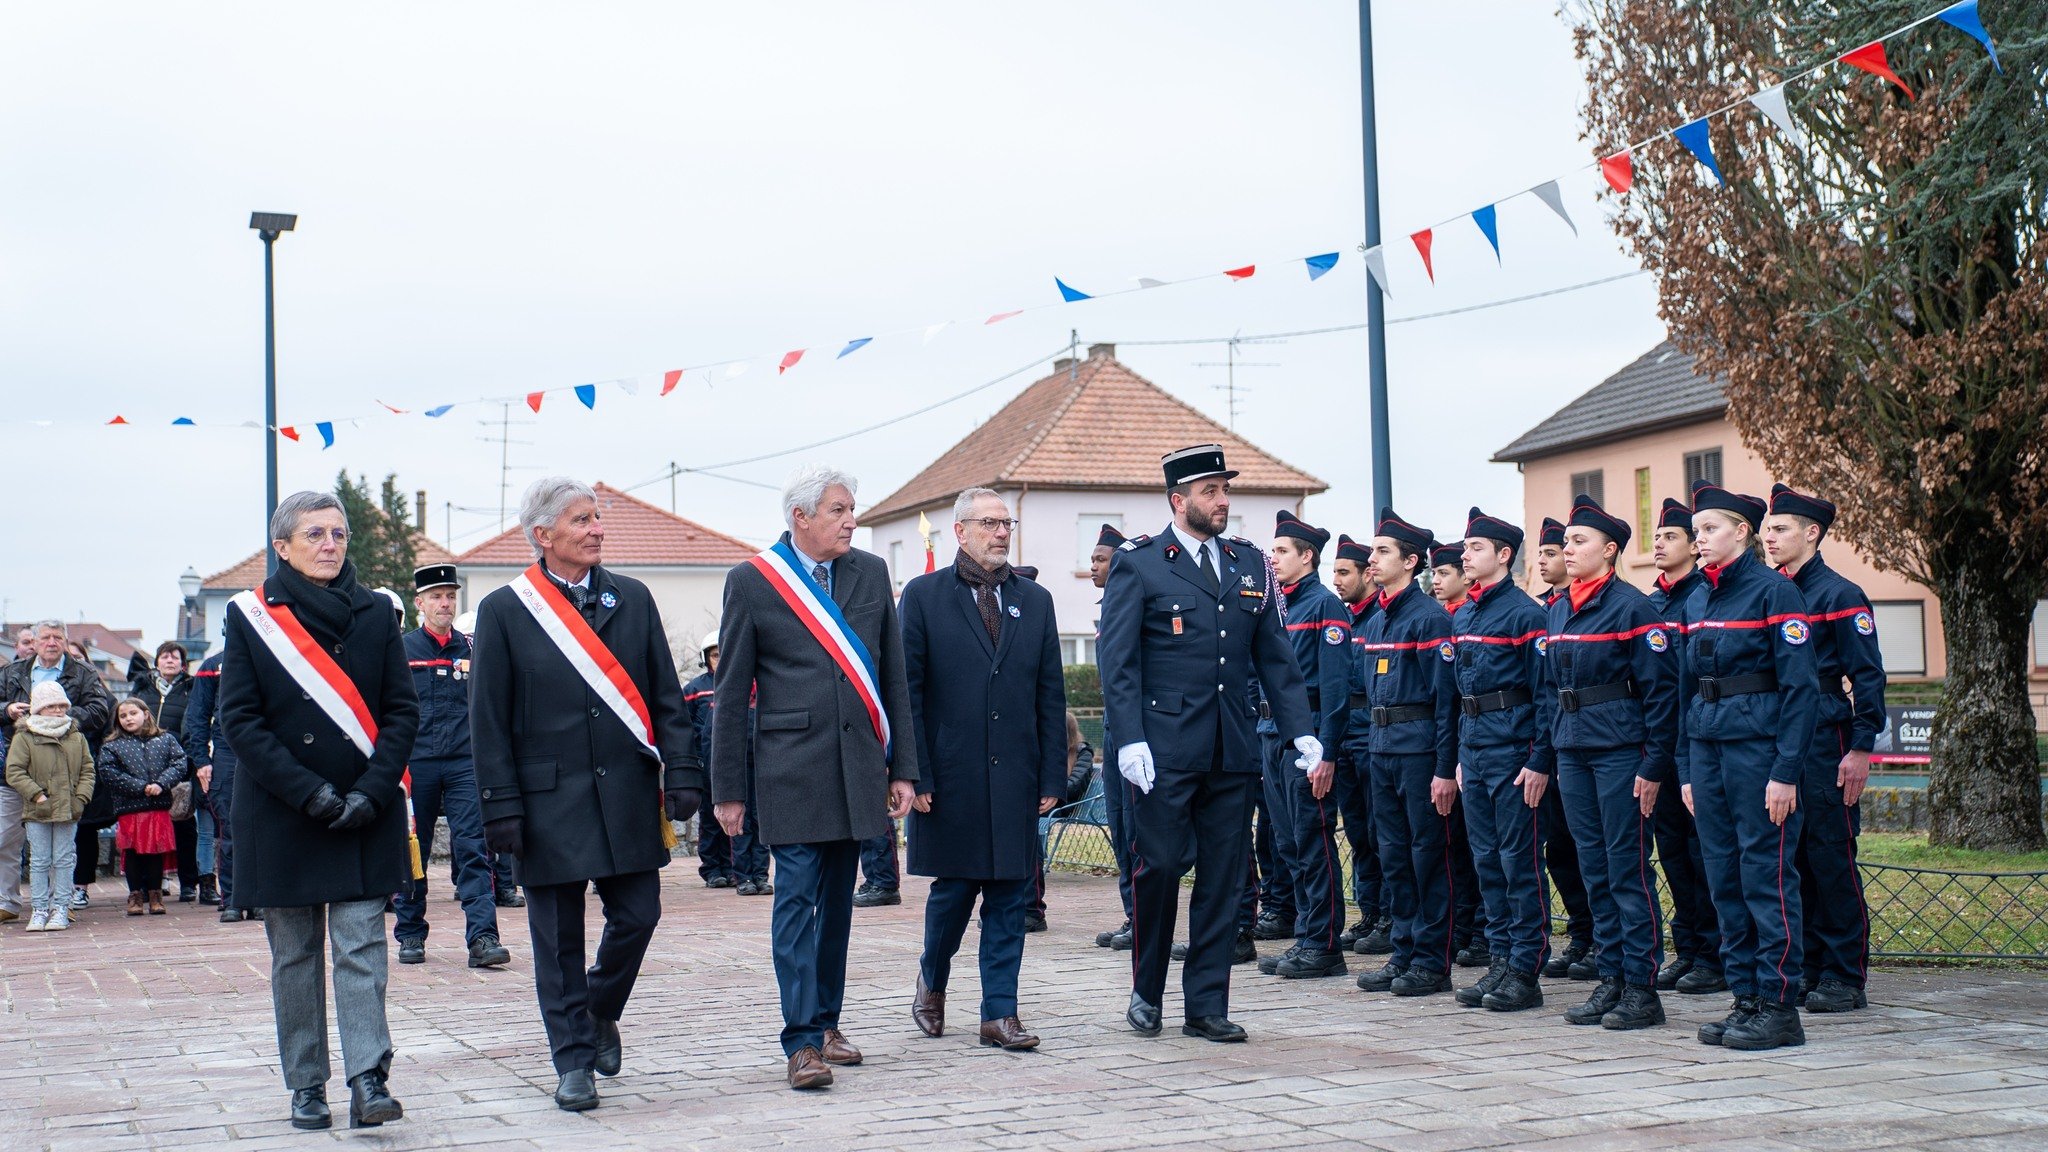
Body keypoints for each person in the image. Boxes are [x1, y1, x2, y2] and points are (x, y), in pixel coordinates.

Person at [470, 477, 702, 1111]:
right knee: (557, 940)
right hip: (546, 804)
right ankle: (572, 1061)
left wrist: (683, 770)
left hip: (626, 793)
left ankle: (599, 1010)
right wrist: (501, 806)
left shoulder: (632, 598)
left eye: (597, 519)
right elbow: (487, 720)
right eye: (582, 520)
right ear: (544, 535)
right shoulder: (505, 611)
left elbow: (664, 695)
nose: (598, 528)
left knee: (639, 915)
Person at [1098, 444, 1317, 1043]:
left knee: (1225, 876)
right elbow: (1118, 662)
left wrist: (1301, 728)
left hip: (1232, 747)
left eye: (1226, 490)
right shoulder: (1139, 564)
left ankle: (1206, 1004)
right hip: (1164, 750)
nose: (1223, 502)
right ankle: (1146, 993)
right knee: (1160, 868)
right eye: (1211, 492)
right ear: (1180, 500)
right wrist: (1129, 740)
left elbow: (1274, 655)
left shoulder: (1249, 564)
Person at [711, 465, 919, 1090]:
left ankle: (827, 1022)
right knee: (795, 903)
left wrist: (904, 766)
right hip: (791, 768)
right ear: (800, 518)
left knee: (837, 906)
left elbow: (894, 677)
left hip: (857, 766)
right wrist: (728, 789)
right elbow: (730, 688)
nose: (852, 520)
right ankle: (801, 1041)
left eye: (852, 509)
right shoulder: (753, 581)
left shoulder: (871, 573)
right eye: (838, 510)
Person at [221, 490, 418, 1130]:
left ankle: (369, 1078)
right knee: (295, 955)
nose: (331, 544)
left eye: (338, 533)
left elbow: (400, 712)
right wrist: (308, 791)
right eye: (316, 535)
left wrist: (373, 790)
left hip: (365, 806)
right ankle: (307, 1084)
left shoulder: (375, 613)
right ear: (282, 546)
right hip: (285, 810)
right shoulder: (252, 616)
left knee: (361, 945)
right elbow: (241, 722)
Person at [900, 488, 1065, 1050]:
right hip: (951, 775)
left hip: (1015, 774)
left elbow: (1050, 693)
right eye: (990, 523)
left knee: (1010, 892)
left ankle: (1000, 1012)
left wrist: (1050, 777)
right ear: (961, 531)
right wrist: (914, 772)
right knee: (956, 889)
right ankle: (933, 978)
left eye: (1006, 522)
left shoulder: (1035, 601)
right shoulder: (923, 597)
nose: (1001, 532)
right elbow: (909, 694)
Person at [1682, 482, 1819, 1050]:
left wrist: (1785, 772)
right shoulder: (1696, 598)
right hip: (1709, 752)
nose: (1699, 541)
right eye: (1696, 533)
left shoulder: (1774, 594)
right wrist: (1688, 769)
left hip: (1758, 754)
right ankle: (1746, 998)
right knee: (1723, 877)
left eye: (1709, 529)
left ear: (1742, 532)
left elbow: (1802, 690)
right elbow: (1687, 691)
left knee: (1766, 876)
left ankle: (1780, 1005)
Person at [1544, 495, 1680, 1032]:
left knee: (1626, 868)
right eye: (1567, 541)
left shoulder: (1633, 608)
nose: (1568, 549)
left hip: (1622, 752)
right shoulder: (1558, 608)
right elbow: (1550, 689)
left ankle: (1642, 989)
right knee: (1592, 866)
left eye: (1579, 541)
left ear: (1610, 550)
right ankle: (1612, 977)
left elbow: (1661, 693)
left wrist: (1653, 765)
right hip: (1573, 750)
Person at [1763, 483, 1885, 1015]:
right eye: (1766, 529)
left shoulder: (1840, 596)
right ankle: (1810, 965)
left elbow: (1868, 677)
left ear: (1812, 534)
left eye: (1780, 529)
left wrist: (1860, 748)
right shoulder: (1769, 593)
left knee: (1830, 856)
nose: (1769, 538)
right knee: (1792, 858)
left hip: (1826, 739)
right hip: (1780, 740)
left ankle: (1843, 973)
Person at [1351, 509, 1460, 999]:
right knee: (1392, 854)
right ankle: (1403, 951)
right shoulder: (1376, 620)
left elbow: (1445, 700)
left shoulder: (1429, 617)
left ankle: (1432, 960)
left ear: (1410, 561)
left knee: (1427, 855)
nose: (1372, 560)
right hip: (1381, 750)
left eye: (1382, 552)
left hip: (1418, 752)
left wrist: (1443, 768)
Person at [1448, 508, 1554, 1012]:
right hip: (1477, 749)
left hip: (1514, 753)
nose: (1465, 556)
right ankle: (1500, 959)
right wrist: (1461, 757)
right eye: (1465, 548)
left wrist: (1538, 759)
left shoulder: (1526, 615)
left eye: (1475, 548)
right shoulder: (1465, 613)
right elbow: (1460, 694)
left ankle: (1525, 970)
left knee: (1519, 863)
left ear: (1503, 555)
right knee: (1487, 861)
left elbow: (1544, 695)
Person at [1252, 511, 1352, 981]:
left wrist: (1327, 752)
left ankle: (1325, 944)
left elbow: (1335, 691)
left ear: (1307, 557)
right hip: (1272, 736)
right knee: (1288, 842)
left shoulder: (1324, 608)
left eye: (1281, 552)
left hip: (1306, 740)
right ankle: (1307, 935)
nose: (1272, 560)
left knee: (1313, 840)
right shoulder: (1277, 605)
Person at [394, 564, 509, 969]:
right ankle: (409, 933)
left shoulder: (472, 650)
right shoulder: (402, 651)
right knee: (413, 851)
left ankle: (483, 937)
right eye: (436, 596)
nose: (444, 603)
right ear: (420, 602)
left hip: (464, 764)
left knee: (474, 850)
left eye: (450, 595)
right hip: (417, 764)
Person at [1647, 497, 1723, 996]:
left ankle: (1714, 955)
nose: (1660, 544)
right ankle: (1689, 947)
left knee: (1702, 853)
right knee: (1672, 850)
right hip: (1662, 742)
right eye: (1657, 537)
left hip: (1697, 741)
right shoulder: (1651, 603)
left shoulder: (1702, 597)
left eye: (1670, 537)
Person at [3, 621, 116, 919]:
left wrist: (57, 716)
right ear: (34, 642)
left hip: (65, 769)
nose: (51, 642)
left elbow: (100, 710)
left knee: (62, 849)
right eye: (45, 637)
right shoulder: (14, 671)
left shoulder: (84, 672)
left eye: (58, 637)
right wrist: (8, 710)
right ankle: (9, 902)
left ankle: (59, 904)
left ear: (65, 642)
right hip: (19, 766)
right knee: (8, 838)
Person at [1532, 517, 1596, 982]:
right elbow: (1547, 690)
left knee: (1592, 850)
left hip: (1596, 747)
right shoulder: (1550, 610)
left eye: (1557, 551)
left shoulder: (1617, 606)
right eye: (1550, 551)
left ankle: (1598, 941)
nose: (1549, 559)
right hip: (1561, 745)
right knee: (1563, 850)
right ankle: (1583, 934)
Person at [1329, 534, 1389, 955]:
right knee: (1357, 830)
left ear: (1368, 574)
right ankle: (1370, 911)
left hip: (1373, 729)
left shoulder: (1378, 620)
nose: (1337, 581)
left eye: (1343, 572)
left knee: (1380, 828)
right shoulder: (1346, 620)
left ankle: (1389, 914)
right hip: (1347, 732)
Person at [1430, 539, 1489, 969]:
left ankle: (1489, 936)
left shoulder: (1521, 613)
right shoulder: (1460, 617)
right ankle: (1476, 931)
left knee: (1499, 854)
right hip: (1469, 744)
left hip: (1502, 747)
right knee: (1474, 851)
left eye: (1443, 572)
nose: (1437, 580)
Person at [685, 631, 771, 894]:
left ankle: (751, 873)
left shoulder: (751, 686)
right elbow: (686, 729)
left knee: (753, 821)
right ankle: (715, 869)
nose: (720, 659)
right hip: (709, 764)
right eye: (714, 655)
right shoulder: (695, 690)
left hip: (751, 765)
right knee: (713, 822)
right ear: (705, 659)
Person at [1086, 523, 1139, 951]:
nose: (1093, 568)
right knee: (1119, 825)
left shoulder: (1131, 604)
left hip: (1132, 728)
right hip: (1111, 725)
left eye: (1100, 560)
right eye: (1091, 561)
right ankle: (1132, 915)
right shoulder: (1107, 608)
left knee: (1136, 828)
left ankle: (1142, 917)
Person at [6, 681, 94, 931]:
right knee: (40, 860)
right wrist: (37, 796)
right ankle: (40, 909)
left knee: (65, 859)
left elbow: (88, 769)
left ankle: (61, 908)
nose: (57, 710)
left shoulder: (75, 736)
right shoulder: (25, 736)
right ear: (38, 708)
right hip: (37, 810)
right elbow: (15, 771)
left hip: (69, 809)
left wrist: (81, 798)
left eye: (61, 705)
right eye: (51, 706)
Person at [130, 641, 208, 904]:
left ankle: (189, 883)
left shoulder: (192, 689)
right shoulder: (143, 688)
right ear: (157, 662)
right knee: (146, 825)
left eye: (175, 657)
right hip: (144, 765)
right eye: (165, 656)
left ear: (183, 664)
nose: (170, 661)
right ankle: (144, 884)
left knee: (184, 825)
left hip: (179, 764)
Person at [184, 646, 258, 924]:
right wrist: (202, 760)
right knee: (230, 827)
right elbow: (197, 716)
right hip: (226, 750)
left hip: (262, 747)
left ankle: (259, 899)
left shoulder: (272, 654)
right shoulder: (213, 665)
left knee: (262, 828)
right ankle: (233, 899)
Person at [97, 697, 186, 917]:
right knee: (133, 852)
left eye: (132, 714)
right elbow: (109, 773)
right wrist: (142, 787)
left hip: (157, 805)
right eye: (123, 716)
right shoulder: (112, 746)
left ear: (145, 714)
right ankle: (135, 895)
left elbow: (180, 762)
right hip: (130, 807)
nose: (128, 719)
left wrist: (161, 784)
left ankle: (155, 896)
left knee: (156, 852)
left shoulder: (165, 739)